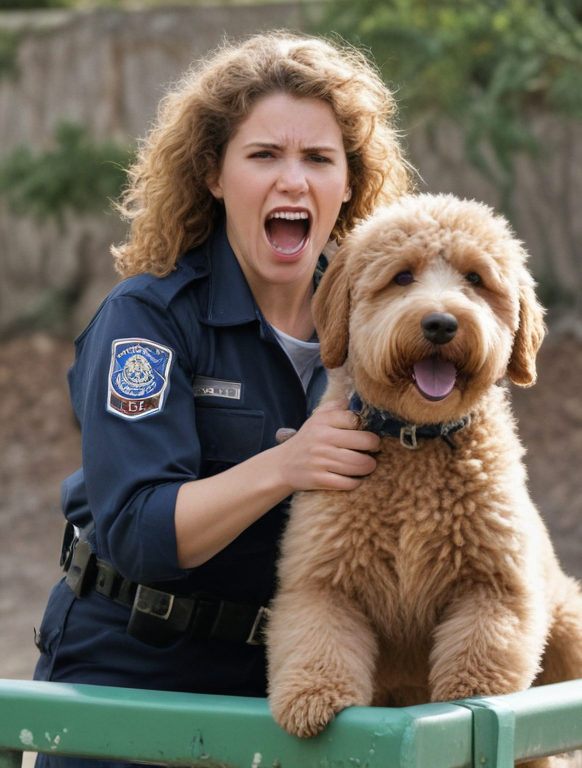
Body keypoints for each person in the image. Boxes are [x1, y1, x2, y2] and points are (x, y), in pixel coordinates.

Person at [33, 29, 414, 766]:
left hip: (293, 687)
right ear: (213, 173)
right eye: (264, 155)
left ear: (351, 183)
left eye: (318, 159)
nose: (293, 182)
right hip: (136, 676)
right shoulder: (146, 320)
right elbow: (138, 531)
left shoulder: (385, 319)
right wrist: (285, 466)